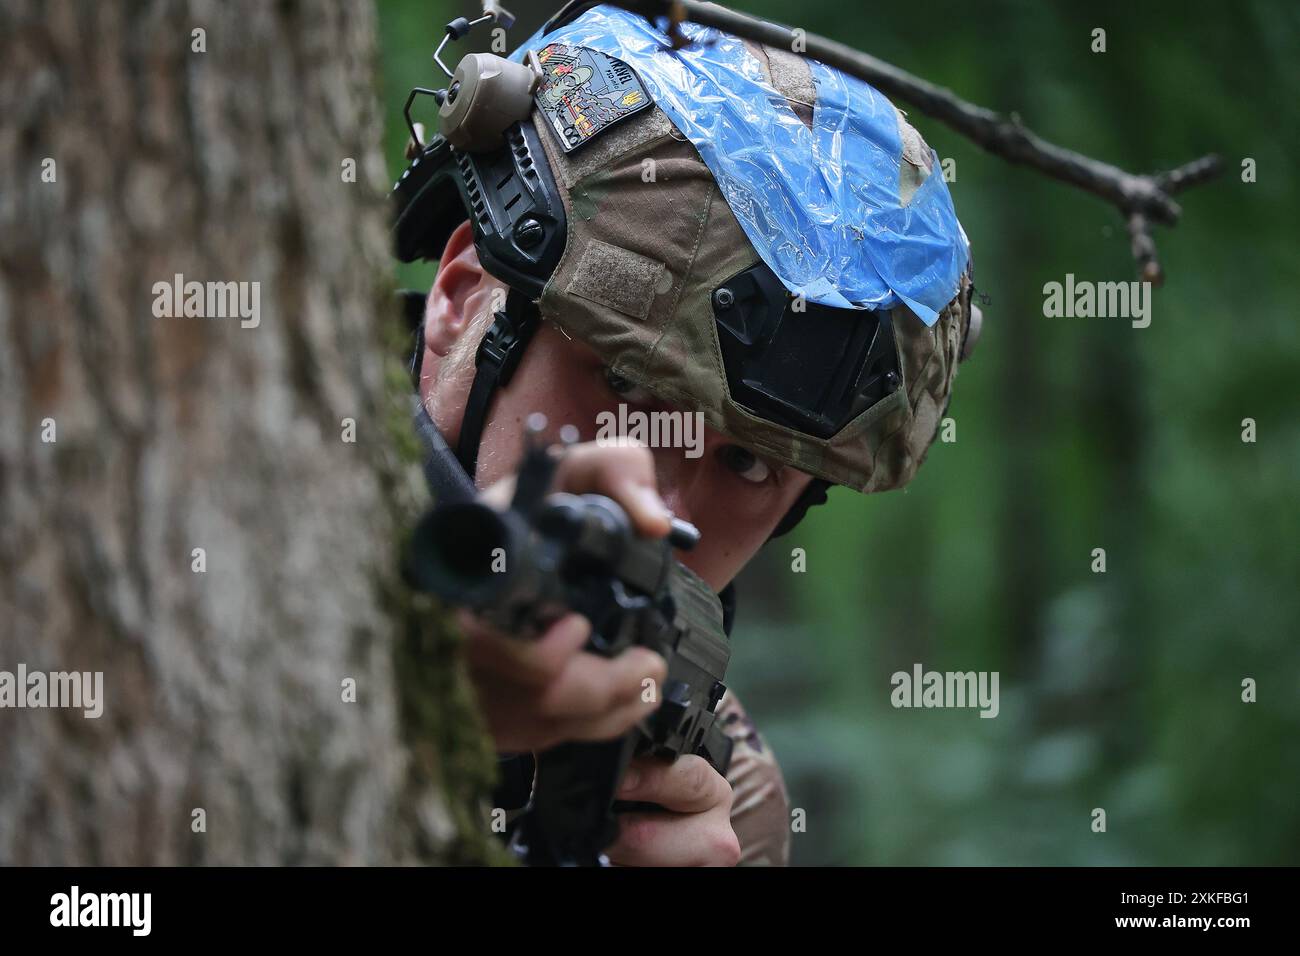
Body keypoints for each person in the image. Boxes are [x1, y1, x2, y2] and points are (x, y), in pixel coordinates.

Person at [397, 3, 981, 866]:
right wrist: (421, 722)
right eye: (625, 383)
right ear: (461, 299)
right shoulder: (217, 509)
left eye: (748, 462)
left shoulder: (720, 792)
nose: (660, 501)